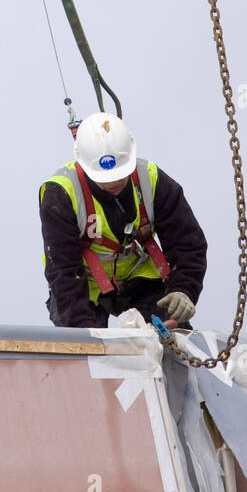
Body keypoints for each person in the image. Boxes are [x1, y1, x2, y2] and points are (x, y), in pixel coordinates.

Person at [40, 112, 207, 329]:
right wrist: (86, 341)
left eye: (120, 173)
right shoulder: (60, 195)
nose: (113, 182)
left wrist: (184, 290)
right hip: (81, 286)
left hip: (141, 279)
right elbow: (64, 271)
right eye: (104, 178)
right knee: (84, 349)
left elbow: (187, 243)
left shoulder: (152, 181)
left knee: (174, 342)